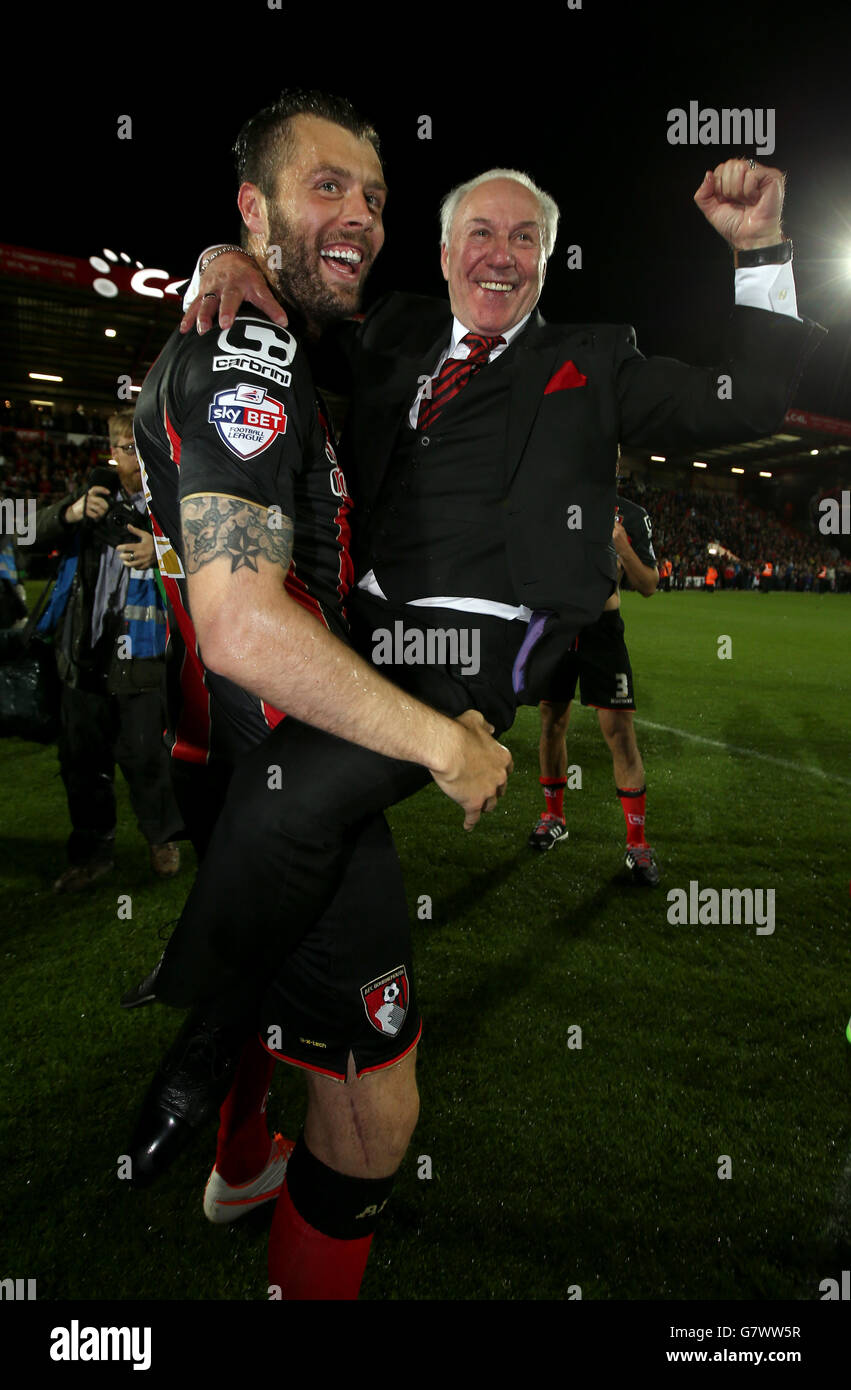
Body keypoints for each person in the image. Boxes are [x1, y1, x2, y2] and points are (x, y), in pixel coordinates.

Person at [128, 95, 824, 1300]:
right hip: (352, 640)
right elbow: (288, 308)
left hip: (464, 663)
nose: (499, 253)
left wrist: (759, 255)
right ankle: (244, 1123)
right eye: (478, 233)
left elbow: (749, 404)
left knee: (289, 804)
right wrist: (223, 253)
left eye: (524, 240)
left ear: (545, 264)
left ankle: (197, 1050)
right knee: (285, 818)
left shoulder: (591, 359)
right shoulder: (390, 335)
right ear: (445, 251)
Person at [127, 92, 512, 1302]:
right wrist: (439, 745)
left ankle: (241, 1170)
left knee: (261, 992)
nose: (359, 216)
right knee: (368, 1118)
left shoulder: (278, 336)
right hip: (283, 764)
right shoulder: (243, 350)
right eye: (326, 187)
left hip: (256, 770)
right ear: (253, 205)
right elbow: (243, 623)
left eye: (375, 197)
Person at [34, 407, 182, 891]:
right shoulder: (90, 494)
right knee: (81, 760)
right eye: (119, 449)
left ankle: (162, 837)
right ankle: (92, 851)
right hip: (83, 654)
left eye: (133, 449)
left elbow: (209, 564)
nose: (126, 460)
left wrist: (159, 554)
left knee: (147, 756)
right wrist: (71, 513)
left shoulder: (171, 499)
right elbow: (23, 533)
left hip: (140, 659)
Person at [528, 494, 661, 885]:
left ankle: (637, 844)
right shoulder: (550, 501)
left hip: (603, 632)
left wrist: (622, 546)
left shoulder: (631, 515)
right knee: (552, 722)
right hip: (557, 628)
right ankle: (554, 818)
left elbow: (649, 584)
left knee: (620, 733)